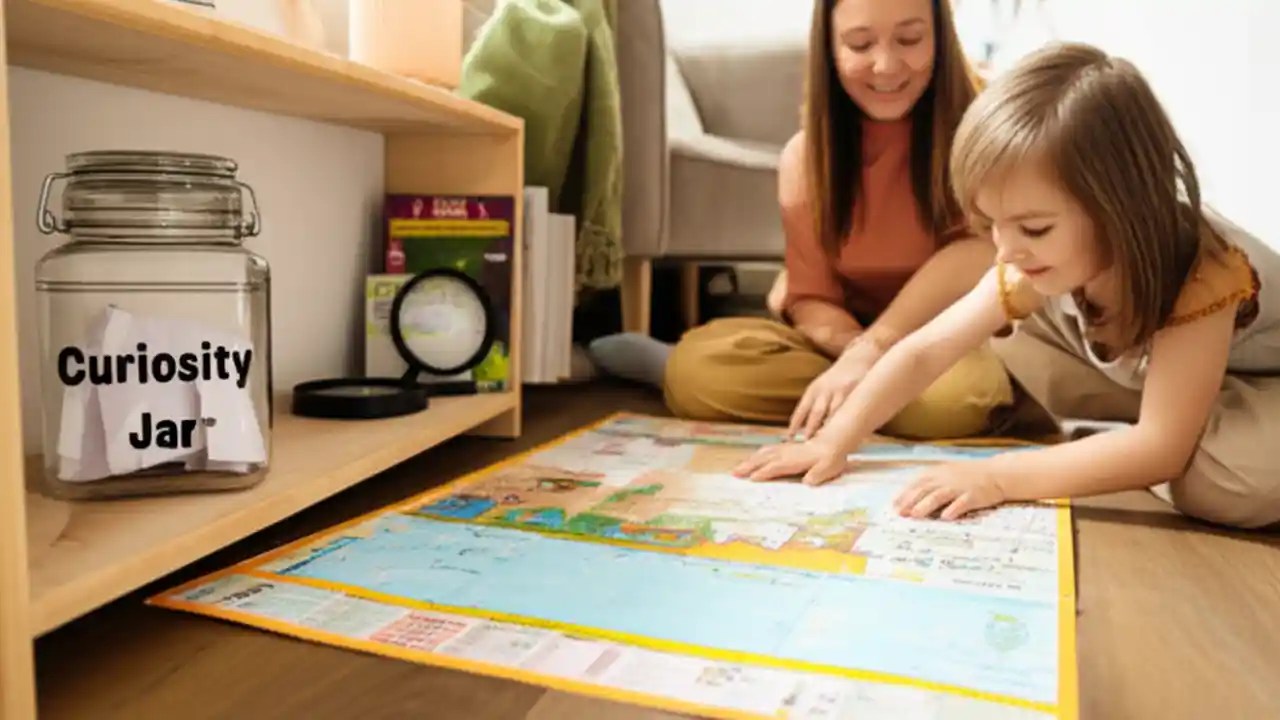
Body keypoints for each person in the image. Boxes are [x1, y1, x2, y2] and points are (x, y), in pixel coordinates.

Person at [733, 41, 1280, 530]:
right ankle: (1128, 440)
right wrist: (834, 441)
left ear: (1122, 208)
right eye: (992, 224)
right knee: (1014, 330)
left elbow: (1161, 451)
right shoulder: (1040, 258)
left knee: (1234, 484)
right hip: (1163, 382)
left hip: (1262, 386)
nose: (1004, 249)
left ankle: (1129, 443)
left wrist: (1001, 478)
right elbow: (924, 351)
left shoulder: (1204, 270)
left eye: (1034, 228)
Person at [590, 0, 1034, 442]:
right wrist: (857, 354)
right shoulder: (804, 159)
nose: (885, 65)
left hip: (950, 343)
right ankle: (674, 368)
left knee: (955, 401)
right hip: (843, 344)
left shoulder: (981, 136)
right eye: (860, 44)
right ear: (829, 50)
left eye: (910, 39)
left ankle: (858, 404)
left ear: (940, 38)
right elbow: (811, 296)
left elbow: (982, 253)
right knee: (700, 371)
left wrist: (878, 347)